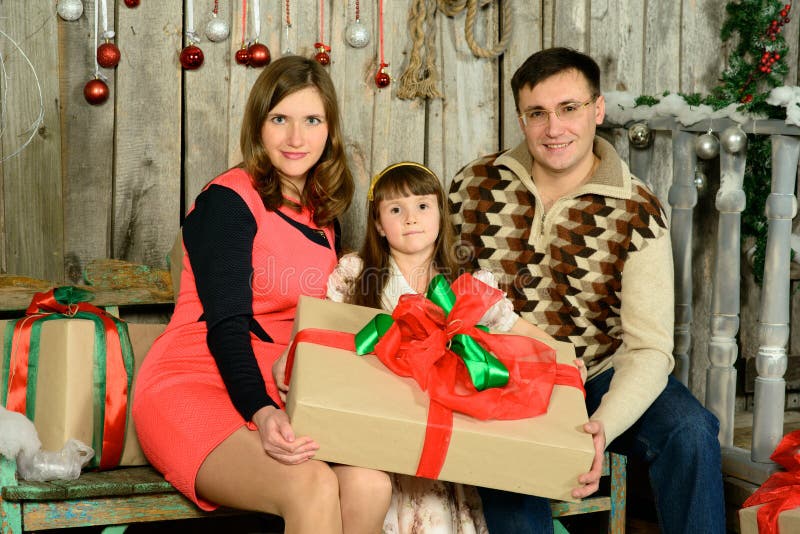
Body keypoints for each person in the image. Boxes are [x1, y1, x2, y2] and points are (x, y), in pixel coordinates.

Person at [448, 47, 725, 534]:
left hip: (599, 374)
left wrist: (602, 427)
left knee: (691, 430)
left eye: (569, 108)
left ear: (597, 109)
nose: (554, 129)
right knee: (511, 473)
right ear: (522, 118)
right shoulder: (473, 187)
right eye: (538, 113)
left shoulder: (638, 211)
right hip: (504, 372)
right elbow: (445, 292)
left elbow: (649, 349)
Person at [132, 55, 392, 534]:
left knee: (371, 484)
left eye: (311, 120)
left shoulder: (322, 217)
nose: (296, 138)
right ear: (258, 125)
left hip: (282, 389)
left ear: (329, 130)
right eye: (280, 119)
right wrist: (263, 409)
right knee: (310, 485)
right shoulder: (228, 201)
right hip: (200, 385)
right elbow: (227, 325)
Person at [317, 161, 583, 534]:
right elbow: (328, 337)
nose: (411, 218)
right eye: (396, 210)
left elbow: (516, 329)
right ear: (378, 224)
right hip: (376, 435)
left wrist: (566, 361)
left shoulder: (464, 285)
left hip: (443, 434)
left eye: (422, 206)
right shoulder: (358, 276)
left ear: (441, 214)